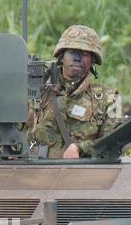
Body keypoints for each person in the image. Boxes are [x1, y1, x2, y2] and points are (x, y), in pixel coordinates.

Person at [29, 25, 122, 158]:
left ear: (93, 61)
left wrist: (80, 148)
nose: (78, 58)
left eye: (84, 54)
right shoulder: (36, 93)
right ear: (61, 56)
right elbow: (9, 134)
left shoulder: (110, 98)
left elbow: (114, 143)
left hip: (83, 173)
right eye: (72, 52)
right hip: (36, 172)